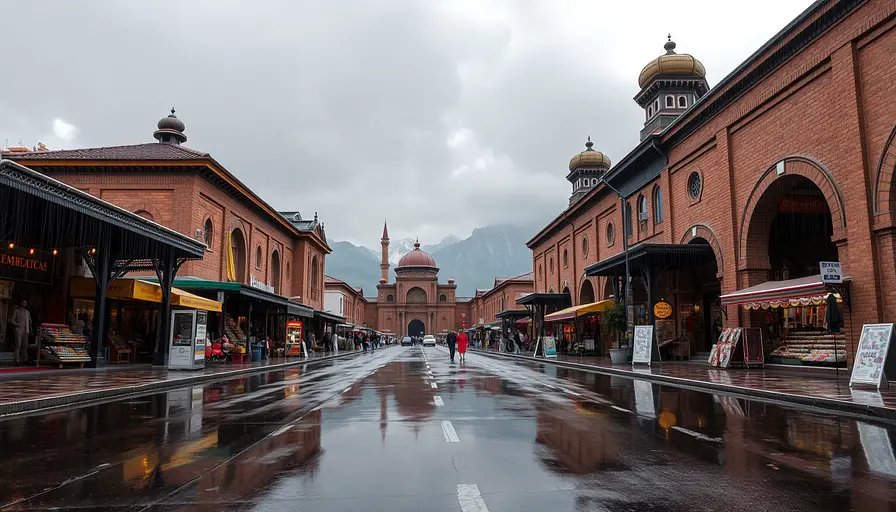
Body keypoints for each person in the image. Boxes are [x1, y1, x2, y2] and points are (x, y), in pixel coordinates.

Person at [11, 299, 32, 366]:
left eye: (25, 303)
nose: (24, 304)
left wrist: (30, 330)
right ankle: (16, 360)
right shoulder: (16, 311)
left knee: (25, 346)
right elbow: (12, 320)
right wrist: (17, 324)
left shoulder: (27, 312)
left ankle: (25, 359)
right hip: (19, 330)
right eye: (23, 303)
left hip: (26, 330)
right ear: (20, 303)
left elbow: (30, 321)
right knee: (18, 345)